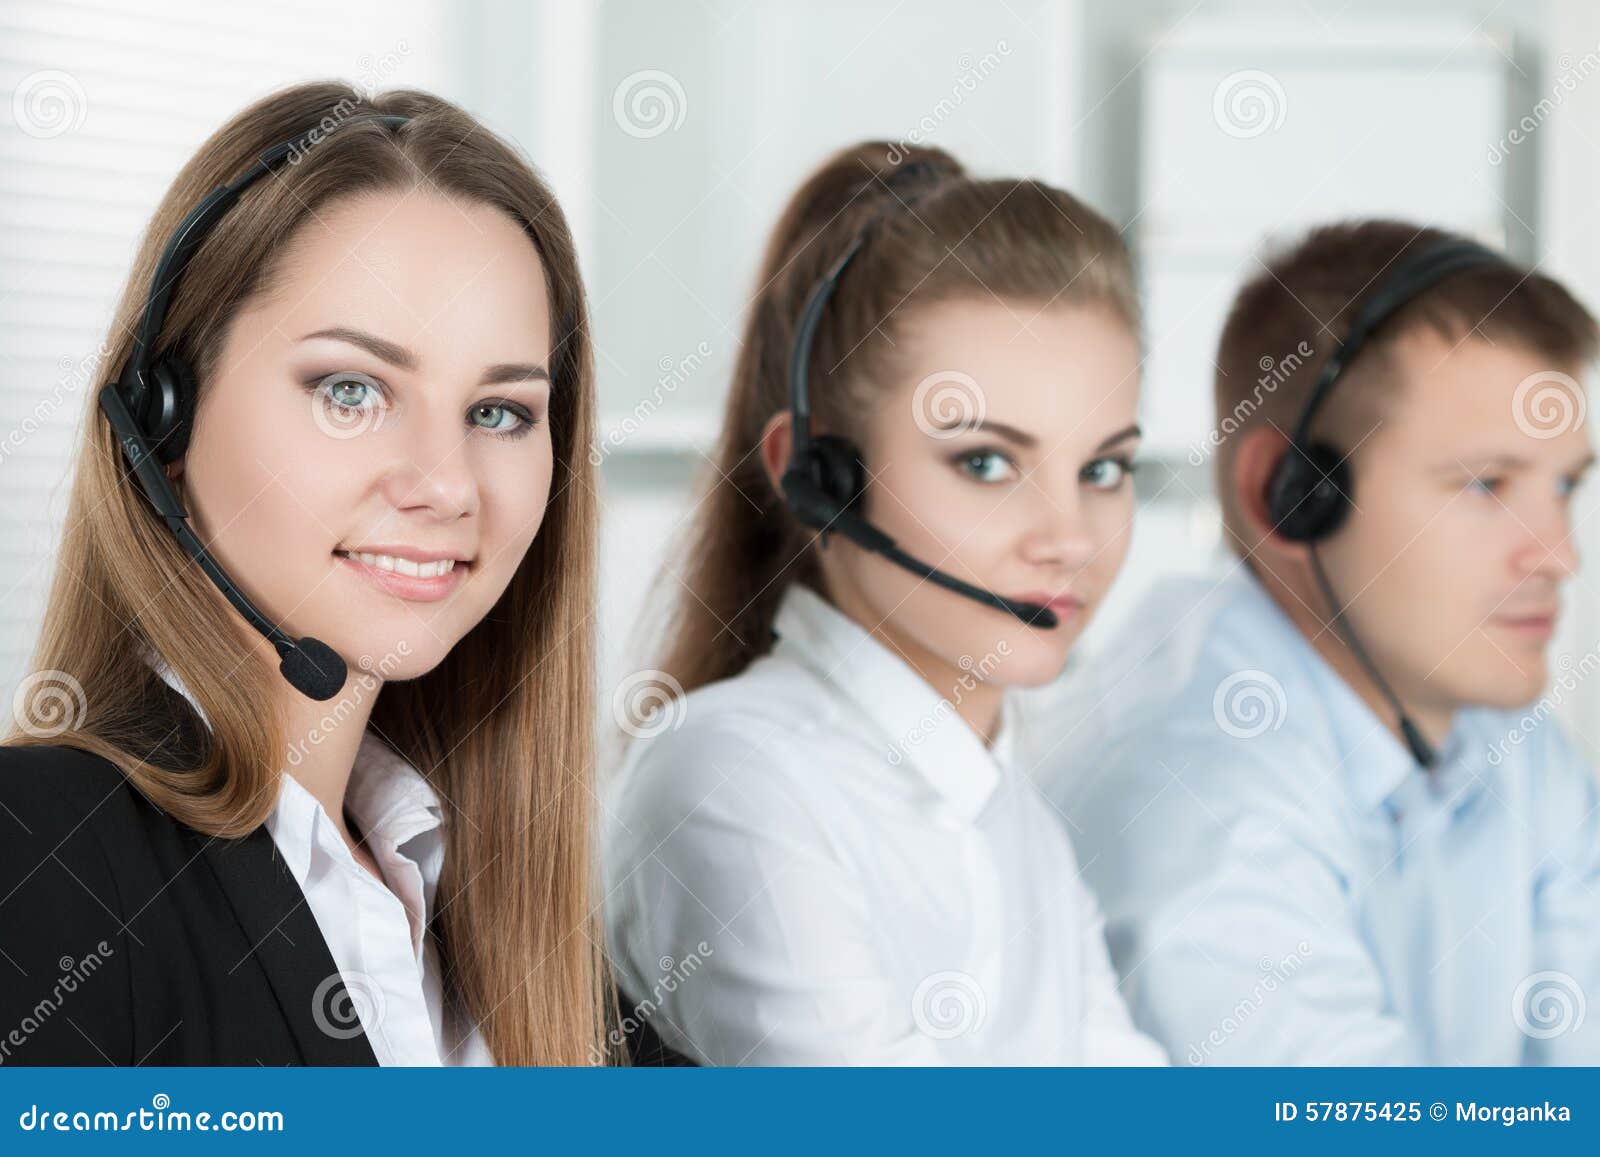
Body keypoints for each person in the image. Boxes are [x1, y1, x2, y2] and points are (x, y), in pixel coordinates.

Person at [0, 81, 627, 1066]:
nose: (446, 483)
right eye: (352, 389)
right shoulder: (41, 851)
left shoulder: (505, 922)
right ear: (160, 421)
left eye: (500, 410)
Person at [603, 140, 1167, 1065]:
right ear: (817, 477)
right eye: (986, 462)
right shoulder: (732, 777)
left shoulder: (1013, 813)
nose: (1070, 537)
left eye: (1103, 468)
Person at [1041, 219, 1600, 1065]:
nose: (1560, 554)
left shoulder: (1506, 740)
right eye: (1486, 484)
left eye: (1564, 485)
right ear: (1293, 495)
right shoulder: (1196, 800)